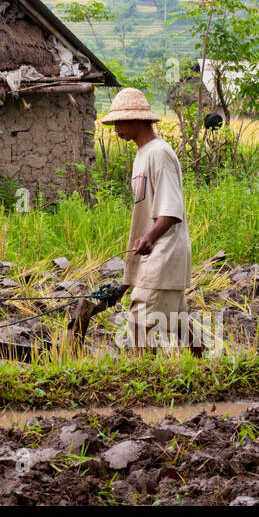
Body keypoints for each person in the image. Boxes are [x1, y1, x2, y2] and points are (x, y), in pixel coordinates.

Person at [99, 87, 206, 356]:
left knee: (139, 319)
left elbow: (171, 210)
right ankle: (204, 363)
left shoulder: (159, 153)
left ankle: (144, 377)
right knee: (176, 319)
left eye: (120, 122)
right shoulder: (141, 155)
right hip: (154, 252)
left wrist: (149, 238)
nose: (116, 129)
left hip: (164, 250)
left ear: (138, 120)